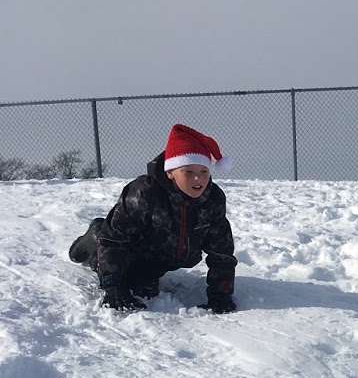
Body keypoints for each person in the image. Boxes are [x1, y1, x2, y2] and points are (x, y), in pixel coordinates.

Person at [68, 124, 238, 312]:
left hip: (162, 259)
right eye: (189, 172)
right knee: (129, 280)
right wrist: (113, 285)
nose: (198, 178)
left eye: (203, 171)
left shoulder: (212, 200)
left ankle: (138, 271)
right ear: (170, 172)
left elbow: (221, 252)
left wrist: (221, 294)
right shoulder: (145, 193)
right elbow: (114, 239)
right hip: (130, 249)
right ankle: (95, 240)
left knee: (145, 287)